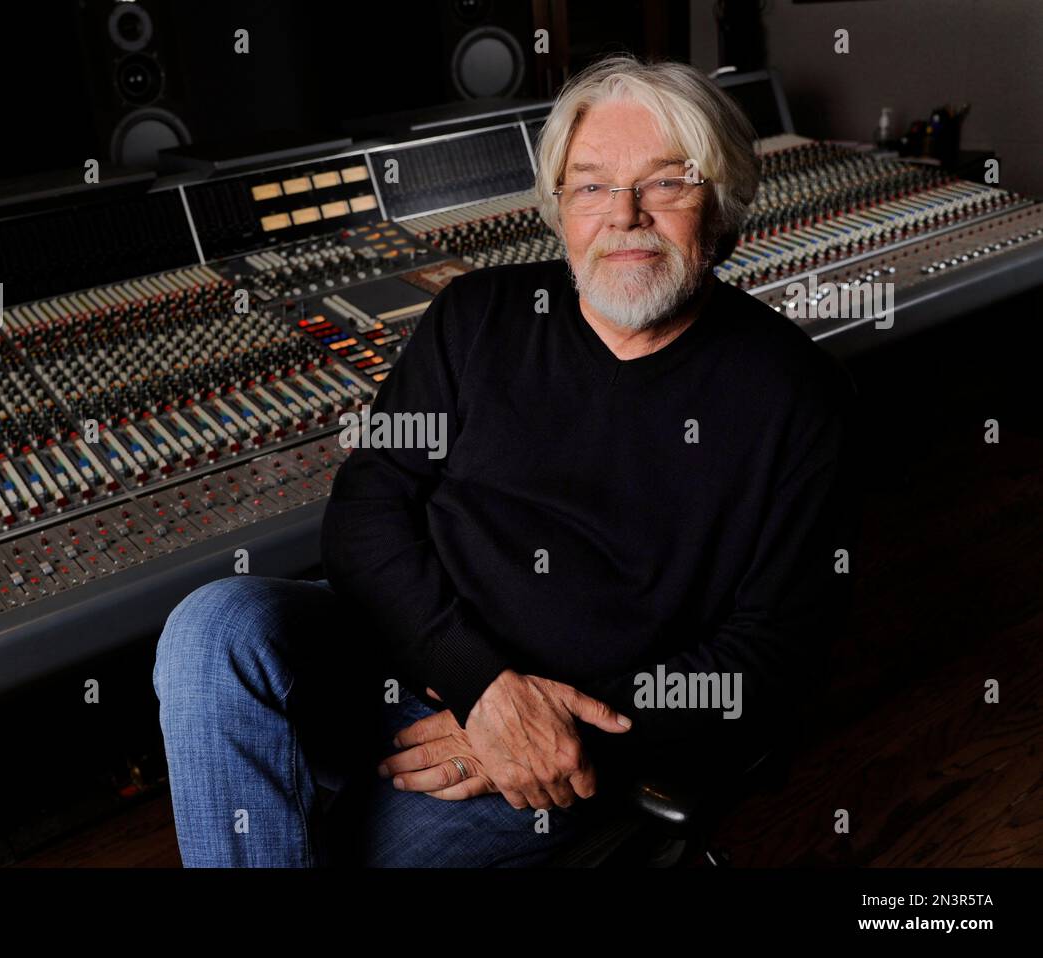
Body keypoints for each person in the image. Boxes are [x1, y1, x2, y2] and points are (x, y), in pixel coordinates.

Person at [153, 53, 860, 867]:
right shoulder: (475, 315)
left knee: (334, 853)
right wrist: (483, 688)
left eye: (669, 182)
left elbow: (769, 657)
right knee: (214, 627)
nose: (625, 215)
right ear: (560, 209)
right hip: (406, 651)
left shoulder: (799, 397)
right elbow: (365, 510)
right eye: (591, 185)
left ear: (724, 202)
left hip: (564, 737)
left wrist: (541, 733)